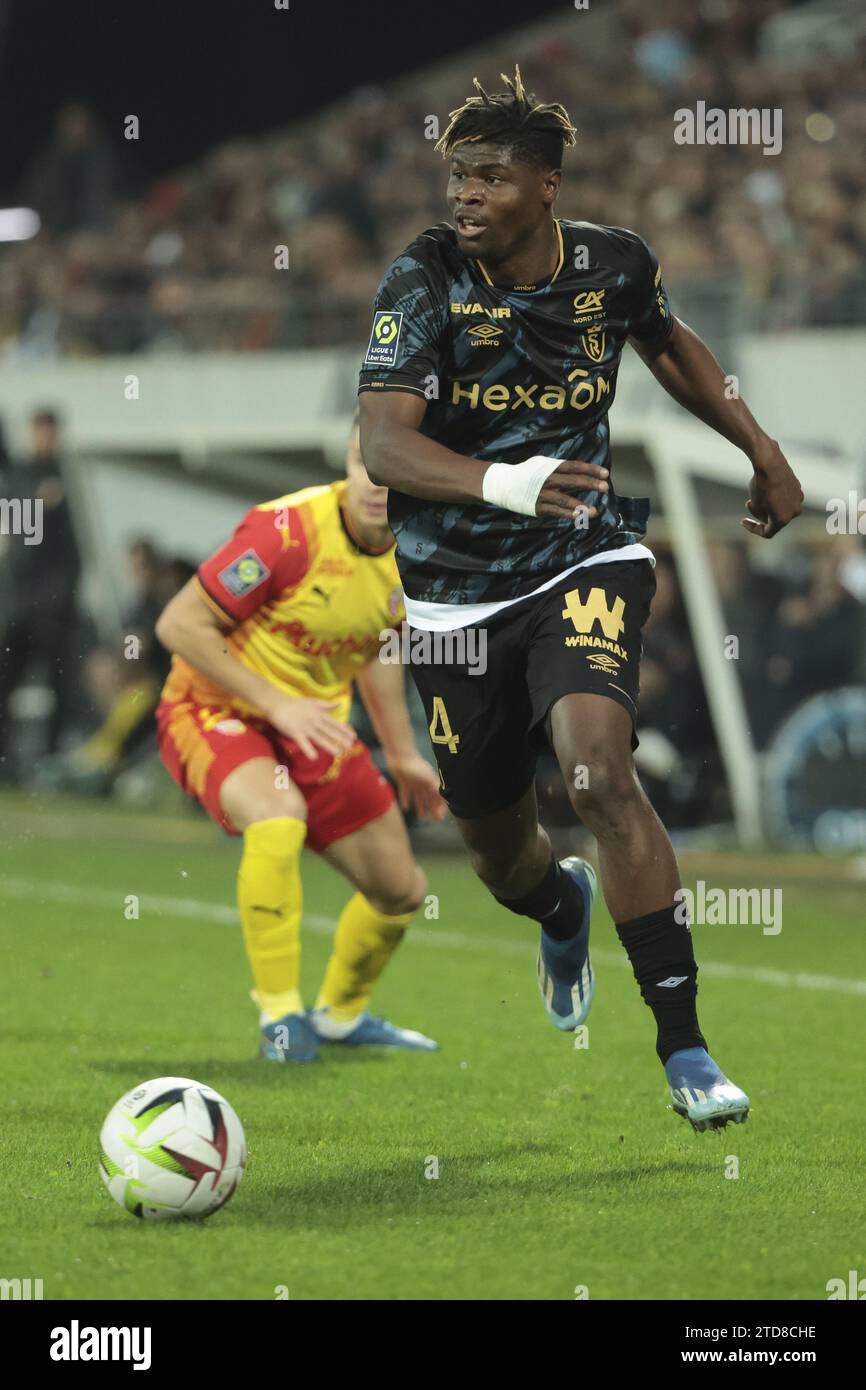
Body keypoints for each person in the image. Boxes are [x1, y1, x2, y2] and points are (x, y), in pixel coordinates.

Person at [358, 66, 803, 1131]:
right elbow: (382, 442)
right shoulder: (420, 279)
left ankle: (685, 1047)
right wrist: (503, 481)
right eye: (456, 176)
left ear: (545, 187)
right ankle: (558, 907)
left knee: (600, 773)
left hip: (583, 552)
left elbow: (669, 345)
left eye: (488, 176)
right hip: (455, 600)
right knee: (500, 855)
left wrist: (760, 448)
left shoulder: (612, 264)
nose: (463, 195)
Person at [154, 417, 445, 1062]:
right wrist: (277, 703)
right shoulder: (283, 532)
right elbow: (178, 624)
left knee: (402, 892)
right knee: (278, 816)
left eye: (390, 469)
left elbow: (377, 645)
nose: (373, 482)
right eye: (361, 461)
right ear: (346, 459)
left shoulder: (417, 551)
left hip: (310, 725)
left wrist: (399, 752)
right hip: (212, 710)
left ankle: (341, 1015)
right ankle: (280, 1018)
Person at [0, 408, 81, 779]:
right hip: (22, 605)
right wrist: (38, 505)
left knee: (58, 687)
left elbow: (75, 550)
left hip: (56, 608)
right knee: (8, 683)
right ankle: (7, 762)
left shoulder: (69, 475)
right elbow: (21, 545)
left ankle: (48, 765)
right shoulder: (23, 477)